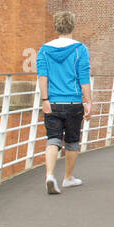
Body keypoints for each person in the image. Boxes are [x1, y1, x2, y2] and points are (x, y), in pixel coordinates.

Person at [37, 10, 92, 195]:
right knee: (72, 140)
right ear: (73, 25)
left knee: (53, 139)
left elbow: (42, 77)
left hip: (52, 101)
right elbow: (84, 78)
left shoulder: (44, 50)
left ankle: (50, 175)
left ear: (55, 26)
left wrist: (45, 99)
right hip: (73, 102)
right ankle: (68, 177)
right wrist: (89, 102)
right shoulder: (80, 49)